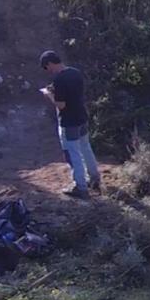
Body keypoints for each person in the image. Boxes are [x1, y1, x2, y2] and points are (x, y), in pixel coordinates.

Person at [40, 50, 102, 199]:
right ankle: (94, 178)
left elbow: (61, 105)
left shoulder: (60, 80)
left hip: (69, 121)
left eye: (46, 67)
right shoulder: (75, 72)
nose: (48, 71)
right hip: (81, 116)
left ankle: (80, 186)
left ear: (50, 63)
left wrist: (49, 94)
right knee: (86, 147)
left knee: (73, 153)